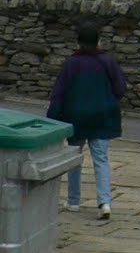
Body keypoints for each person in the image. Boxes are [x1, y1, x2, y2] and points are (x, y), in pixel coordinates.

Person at [46, 21, 127, 220]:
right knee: (101, 160)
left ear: (78, 42)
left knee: (75, 159)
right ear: (98, 41)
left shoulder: (72, 63)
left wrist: (52, 117)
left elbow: (59, 93)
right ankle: (105, 202)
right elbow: (120, 88)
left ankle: (74, 201)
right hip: (103, 117)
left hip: (76, 117)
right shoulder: (107, 61)